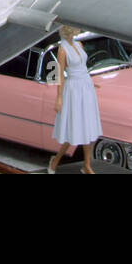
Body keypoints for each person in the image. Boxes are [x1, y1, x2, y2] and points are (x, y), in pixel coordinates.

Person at [48, 25, 102, 174]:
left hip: (86, 87)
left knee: (88, 127)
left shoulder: (79, 44)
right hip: (73, 90)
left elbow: (83, 67)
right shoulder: (62, 50)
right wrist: (59, 98)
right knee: (74, 128)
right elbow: (60, 75)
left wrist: (90, 83)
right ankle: (56, 160)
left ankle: (87, 165)